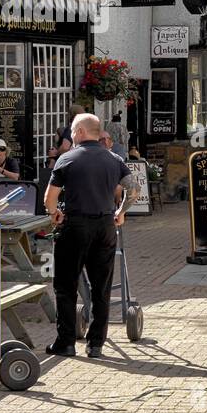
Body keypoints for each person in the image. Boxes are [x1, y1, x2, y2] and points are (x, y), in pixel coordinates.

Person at [44, 113, 131, 358]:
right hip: (105, 226)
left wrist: (54, 214)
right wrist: (121, 212)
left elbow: (50, 198)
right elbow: (133, 188)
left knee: (65, 286)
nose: (71, 136)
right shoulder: (114, 159)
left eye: (72, 131)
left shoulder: (66, 159)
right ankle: (95, 344)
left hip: (75, 226)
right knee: (101, 288)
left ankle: (66, 342)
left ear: (81, 132)